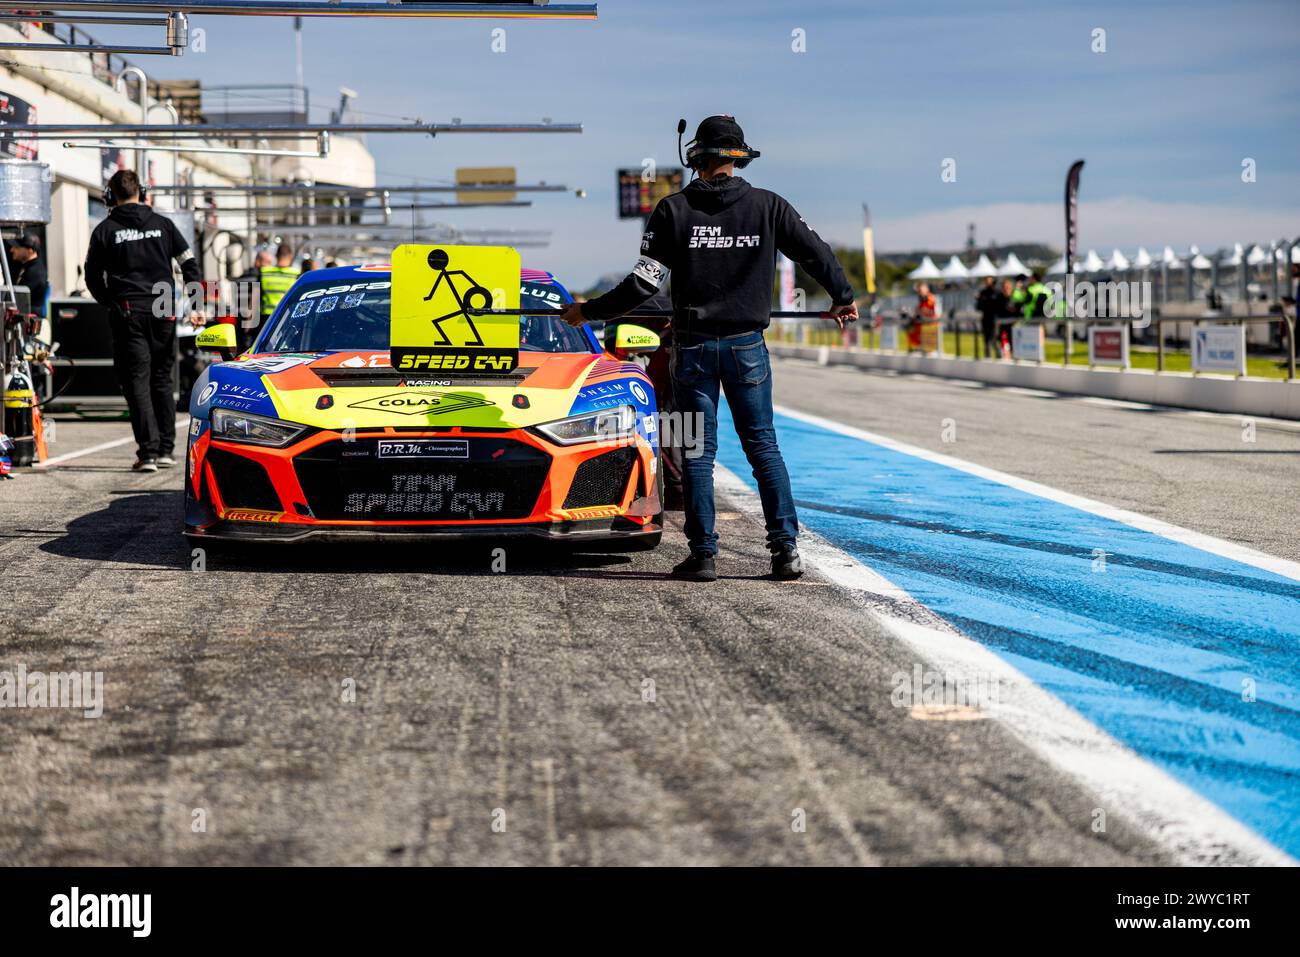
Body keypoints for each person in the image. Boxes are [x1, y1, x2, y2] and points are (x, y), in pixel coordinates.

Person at [560, 114, 857, 582]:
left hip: (693, 349)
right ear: (738, 158)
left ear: (694, 156)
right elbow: (816, 253)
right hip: (747, 349)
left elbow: (642, 286)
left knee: (697, 453)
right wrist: (843, 296)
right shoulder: (769, 206)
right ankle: (785, 553)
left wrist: (589, 311)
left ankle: (702, 556)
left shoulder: (672, 210)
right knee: (763, 448)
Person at [85, 169, 202, 473]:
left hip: (128, 310)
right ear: (143, 192)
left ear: (110, 195)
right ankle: (166, 450)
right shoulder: (163, 225)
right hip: (164, 309)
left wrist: (110, 303)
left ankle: (148, 453)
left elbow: (91, 276)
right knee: (161, 380)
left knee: (137, 382)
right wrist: (197, 303)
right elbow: (189, 263)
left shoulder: (105, 230)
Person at [7, 232, 47, 318]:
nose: (12, 250)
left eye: (17, 247)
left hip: (30, 321)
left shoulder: (35, 273)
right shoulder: (25, 267)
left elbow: (18, 299)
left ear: (30, 251)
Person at [974, 275, 1007, 359]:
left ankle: (999, 357)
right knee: (986, 340)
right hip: (985, 319)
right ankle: (987, 358)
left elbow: (1000, 304)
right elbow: (978, 306)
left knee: (994, 340)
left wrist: (986, 301)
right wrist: (981, 300)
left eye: (989, 280)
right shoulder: (983, 292)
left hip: (995, 319)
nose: (987, 282)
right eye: (986, 281)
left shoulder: (997, 292)